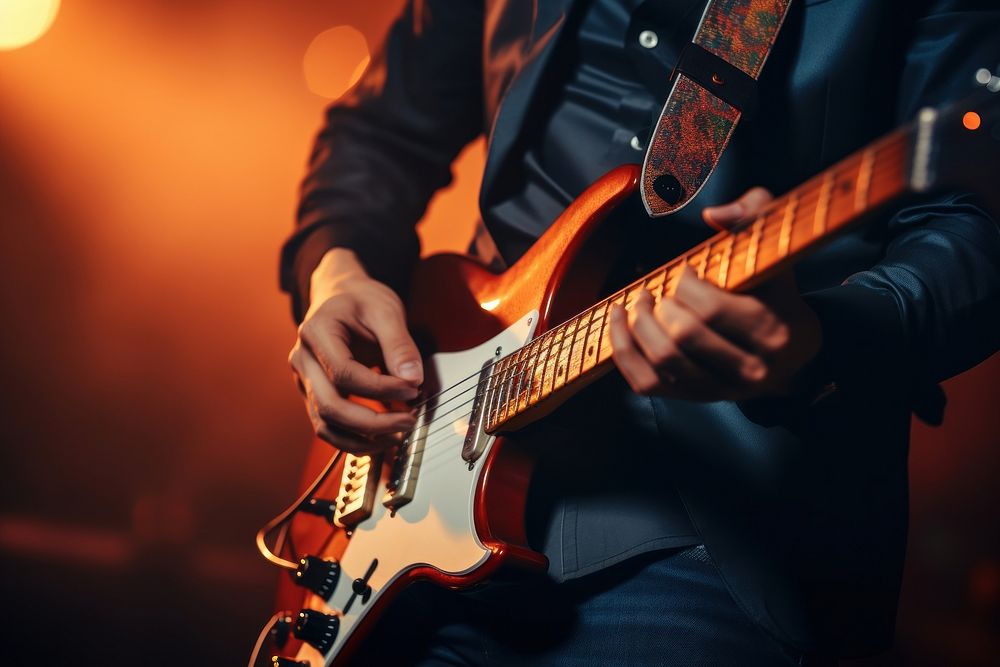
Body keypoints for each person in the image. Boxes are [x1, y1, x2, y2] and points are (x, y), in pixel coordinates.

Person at [280, 0, 1000, 664]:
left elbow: (975, 224)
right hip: (427, 461)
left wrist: (821, 340)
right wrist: (337, 268)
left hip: (718, 523)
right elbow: (378, 130)